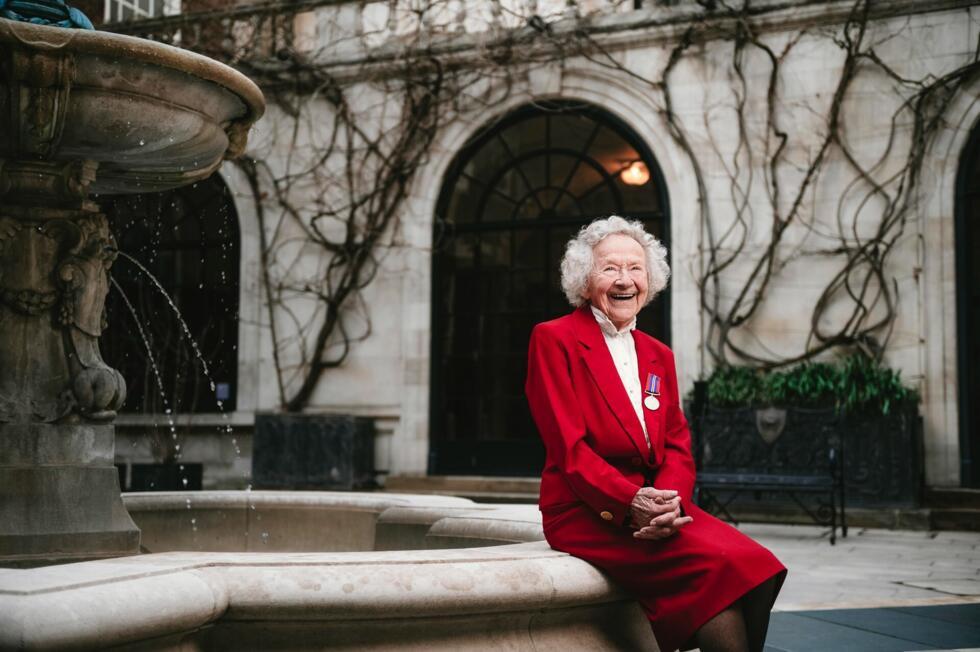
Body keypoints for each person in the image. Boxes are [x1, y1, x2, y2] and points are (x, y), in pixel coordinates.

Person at [525, 215, 786, 652]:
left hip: (658, 507)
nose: (624, 279)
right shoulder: (554, 339)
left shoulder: (657, 354)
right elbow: (569, 449)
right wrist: (630, 503)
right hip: (585, 510)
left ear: (650, 279)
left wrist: (668, 501)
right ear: (584, 279)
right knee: (720, 572)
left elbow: (676, 444)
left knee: (758, 567)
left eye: (635, 268)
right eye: (610, 268)